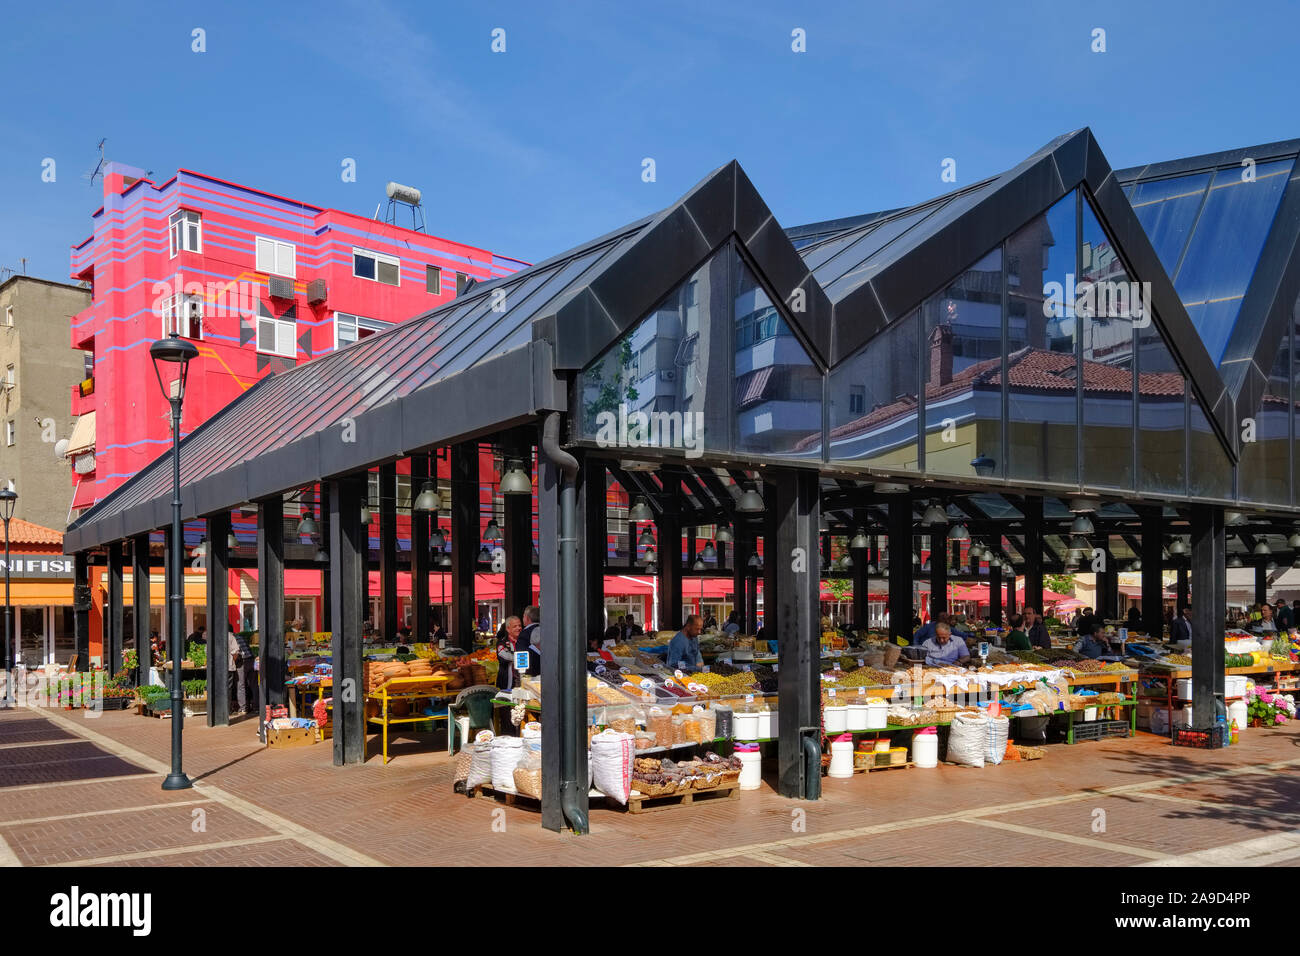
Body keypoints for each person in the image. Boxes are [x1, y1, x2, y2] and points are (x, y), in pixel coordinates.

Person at [230, 629, 256, 715]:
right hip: (251, 660)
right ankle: (256, 706)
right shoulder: (239, 636)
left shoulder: (231, 638)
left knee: (240, 684)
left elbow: (236, 653)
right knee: (253, 684)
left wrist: (232, 663)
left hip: (242, 661)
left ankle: (243, 708)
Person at [496, 616, 522, 690]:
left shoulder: (524, 642)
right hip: (507, 683)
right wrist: (523, 657)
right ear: (508, 629)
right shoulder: (502, 643)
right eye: (515, 626)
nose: (518, 628)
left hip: (522, 682)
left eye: (519, 625)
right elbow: (505, 656)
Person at [520, 606, 542, 676]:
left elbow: (521, 655)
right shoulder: (545, 629)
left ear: (527, 618)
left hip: (532, 674)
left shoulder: (524, 634)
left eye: (523, 616)